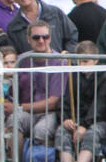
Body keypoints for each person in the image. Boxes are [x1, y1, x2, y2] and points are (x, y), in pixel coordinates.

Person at [56, 41, 106, 162]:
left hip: (99, 121)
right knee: (61, 132)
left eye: (86, 61)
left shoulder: (105, 77)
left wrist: (84, 126)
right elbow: (65, 100)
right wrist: (66, 118)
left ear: (96, 60)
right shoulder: (73, 76)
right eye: (80, 61)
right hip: (76, 120)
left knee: (92, 134)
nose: (82, 65)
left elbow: (100, 106)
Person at [11, 22, 68, 151]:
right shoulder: (21, 60)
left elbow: (53, 102)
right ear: (28, 39)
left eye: (45, 37)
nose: (41, 41)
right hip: (25, 112)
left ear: (51, 38)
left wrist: (21, 107)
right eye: (36, 37)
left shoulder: (60, 62)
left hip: (51, 113)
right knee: (13, 121)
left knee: (41, 130)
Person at [4, 0, 80, 55]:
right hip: (30, 67)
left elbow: (72, 36)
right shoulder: (13, 27)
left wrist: (67, 58)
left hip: (58, 66)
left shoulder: (55, 13)